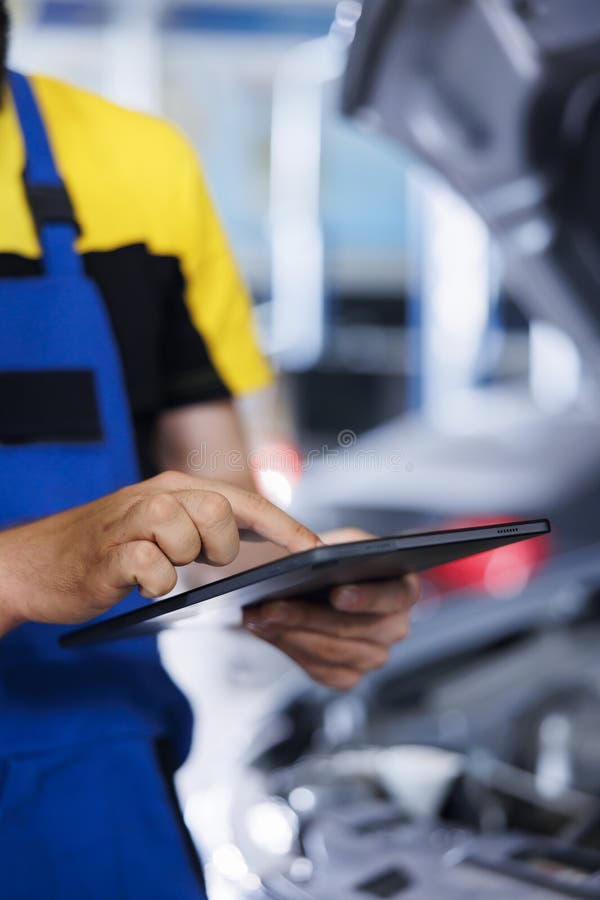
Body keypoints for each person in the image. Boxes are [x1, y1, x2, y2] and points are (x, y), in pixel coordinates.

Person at [0, 4, 419, 897]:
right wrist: (13, 573)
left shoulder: (136, 166)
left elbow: (212, 499)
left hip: (101, 812)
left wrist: (295, 578)